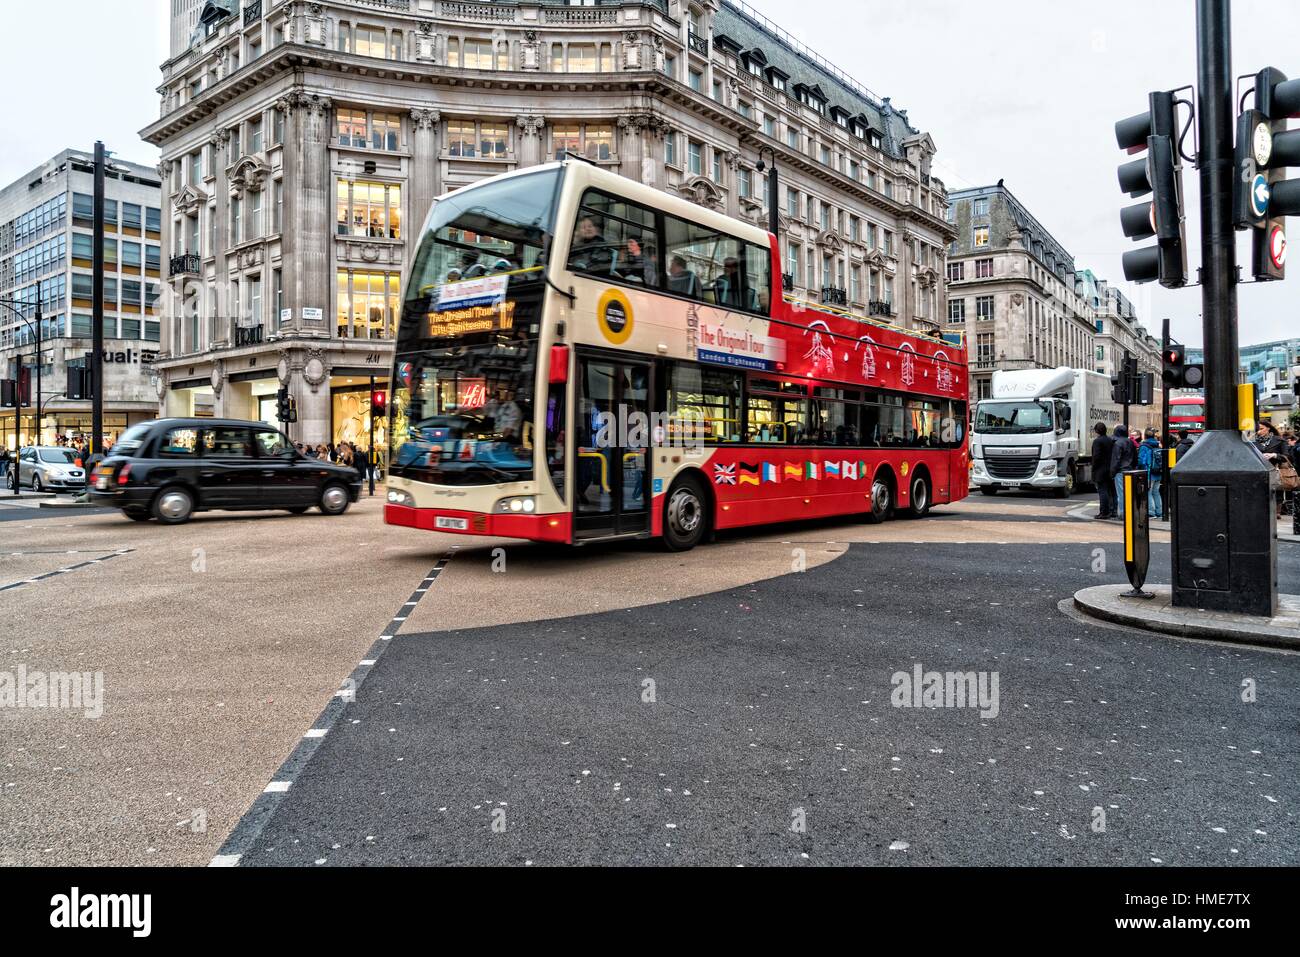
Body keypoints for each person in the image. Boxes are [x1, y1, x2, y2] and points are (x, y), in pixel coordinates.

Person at [1110, 424, 1137, 519]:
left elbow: (1116, 460)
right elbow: (1135, 458)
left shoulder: (1117, 443)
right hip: (1130, 470)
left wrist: (1112, 472)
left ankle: (1122, 514)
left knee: (1121, 494)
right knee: (1129, 493)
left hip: (1120, 471)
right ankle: (1129, 512)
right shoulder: (1130, 442)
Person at [1091, 422, 1115, 519]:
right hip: (1109, 469)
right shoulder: (1110, 440)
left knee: (1102, 491)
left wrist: (1093, 468)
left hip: (1100, 470)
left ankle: (1104, 512)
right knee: (1109, 491)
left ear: (1097, 431)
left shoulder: (1097, 441)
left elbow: (1096, 457)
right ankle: (1110, 510)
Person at [1138, 428, 1163, 519]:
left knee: (1148, 492)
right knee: (1156, 492)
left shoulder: (1144, 446)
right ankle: (1159, 511)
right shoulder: (1158, 445)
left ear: (1145, 435)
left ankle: (1151, 512)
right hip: (1158, 473)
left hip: (1149, 473)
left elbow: (1141, 461)